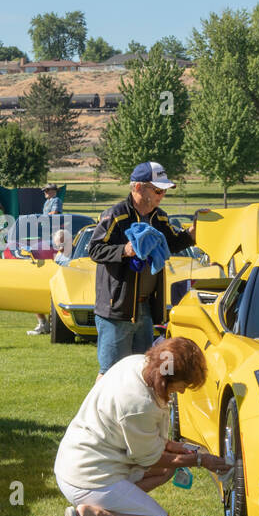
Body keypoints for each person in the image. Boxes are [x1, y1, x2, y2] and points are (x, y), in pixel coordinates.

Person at [56, 338, 220, 516]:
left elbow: (145, 441)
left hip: (76, 460)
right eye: (183, 384)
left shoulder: (136, 363)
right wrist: (200, 461)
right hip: (90, 478)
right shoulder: (139, 405)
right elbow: (149, 459)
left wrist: (178, 447)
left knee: (166, 470)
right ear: (166, 379)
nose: (183, 391)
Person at [87, 161, 198, 376]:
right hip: (116, 310)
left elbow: (174, 242)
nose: (162, 195)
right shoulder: (116, 215)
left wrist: (193, 233)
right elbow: (94, 249)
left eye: (164, 190)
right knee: (110, 373)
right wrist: (124, 250)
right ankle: (97, 411)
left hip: (145, 309)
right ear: (138, 187)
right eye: (157, 189)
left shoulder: (160, 217)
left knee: (144, 372)